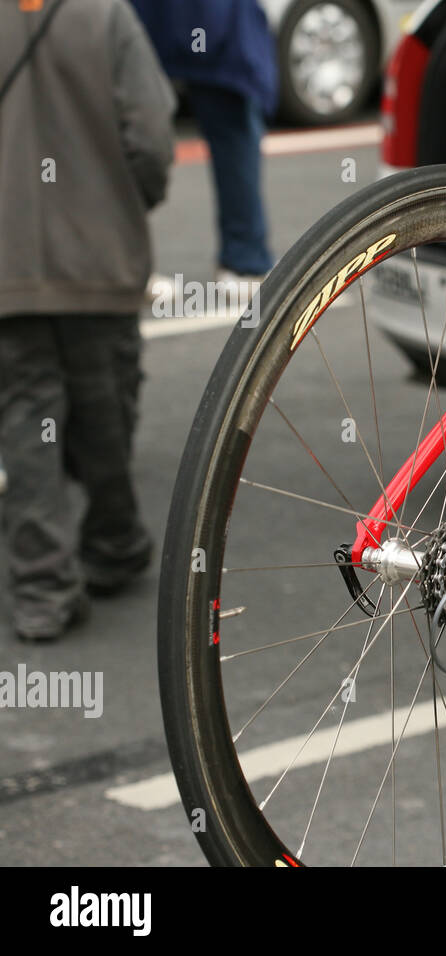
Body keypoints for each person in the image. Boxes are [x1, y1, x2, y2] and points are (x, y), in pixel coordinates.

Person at [0, 0, 175, 641]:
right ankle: (111, 540)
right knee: (105, 405)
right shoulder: (106, 14)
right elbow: (151, 134)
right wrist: (129, 200)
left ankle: (42, 587)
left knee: (26, 422)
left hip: (8, 269)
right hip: (100, 257)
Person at [130, 0, 278, 290]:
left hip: (141, 18)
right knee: (233, 128)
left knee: (126, 130)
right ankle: (243, 263)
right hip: (218, 24)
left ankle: (127, 263)